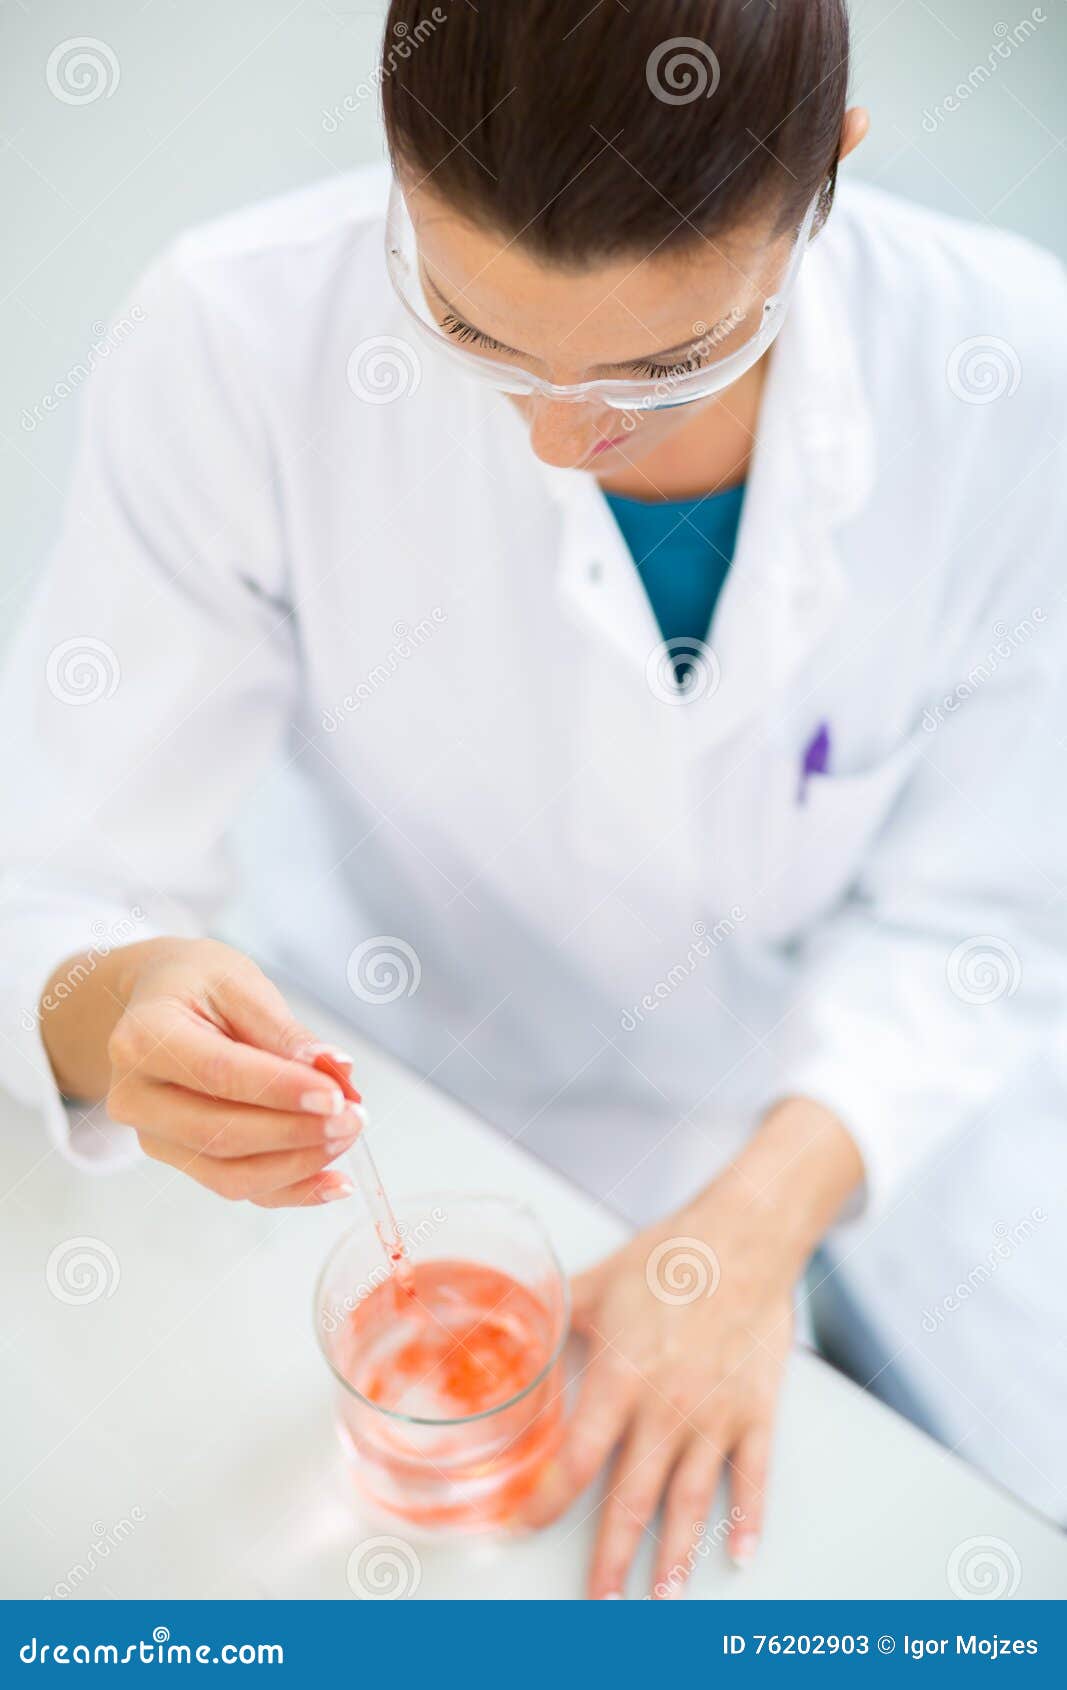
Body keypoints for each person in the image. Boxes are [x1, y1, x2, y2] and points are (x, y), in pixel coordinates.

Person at [2, 0, 1065, 1596]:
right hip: (454, 1094)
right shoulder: (227, 341)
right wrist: (114, 1004)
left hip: (901, 1113)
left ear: (826, 177)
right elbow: (53, 882)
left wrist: (758, 1224)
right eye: (470, 332)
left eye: (673, 358)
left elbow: (995, 910)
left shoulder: (1011, 375)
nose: (568, 437)